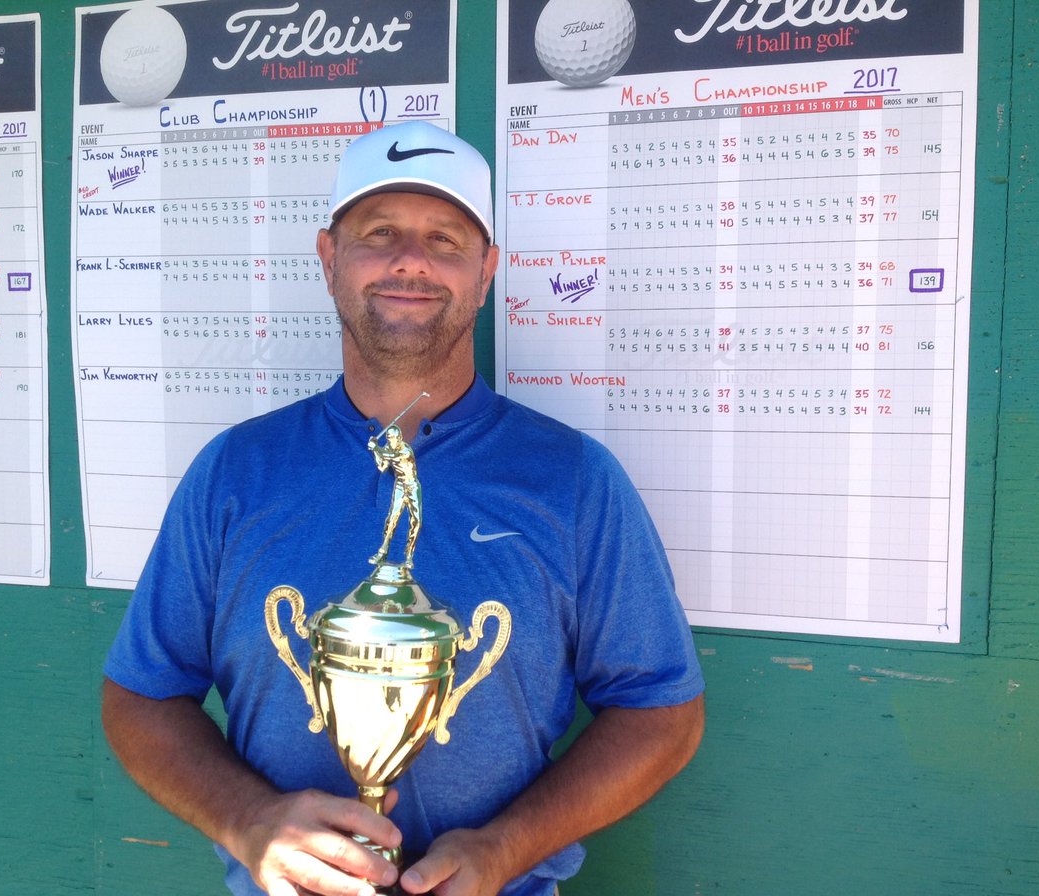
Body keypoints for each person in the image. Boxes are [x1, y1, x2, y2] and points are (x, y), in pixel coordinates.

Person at [101, 120, 705, 896]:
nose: (411, 260)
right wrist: (248, 820)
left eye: (444, 239)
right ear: (329, 260)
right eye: (379, 233)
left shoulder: (574, 481)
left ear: (486, 272)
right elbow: (140, 694)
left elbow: (660, 713)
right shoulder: (235, 473)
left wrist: (505, 848)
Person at [367, 423, 422, 569]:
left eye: (392, 438)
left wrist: (376, 448)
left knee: (416, 521)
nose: (390, 440)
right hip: (399, 485)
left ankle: (409, 556)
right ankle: (382, 552)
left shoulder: (405, 450)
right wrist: (375, 452)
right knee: (391, 519)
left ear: (399, 438)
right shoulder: (387, 448)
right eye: (388, 438)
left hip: (412, 485)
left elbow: (393, 457)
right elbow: (382, 466)